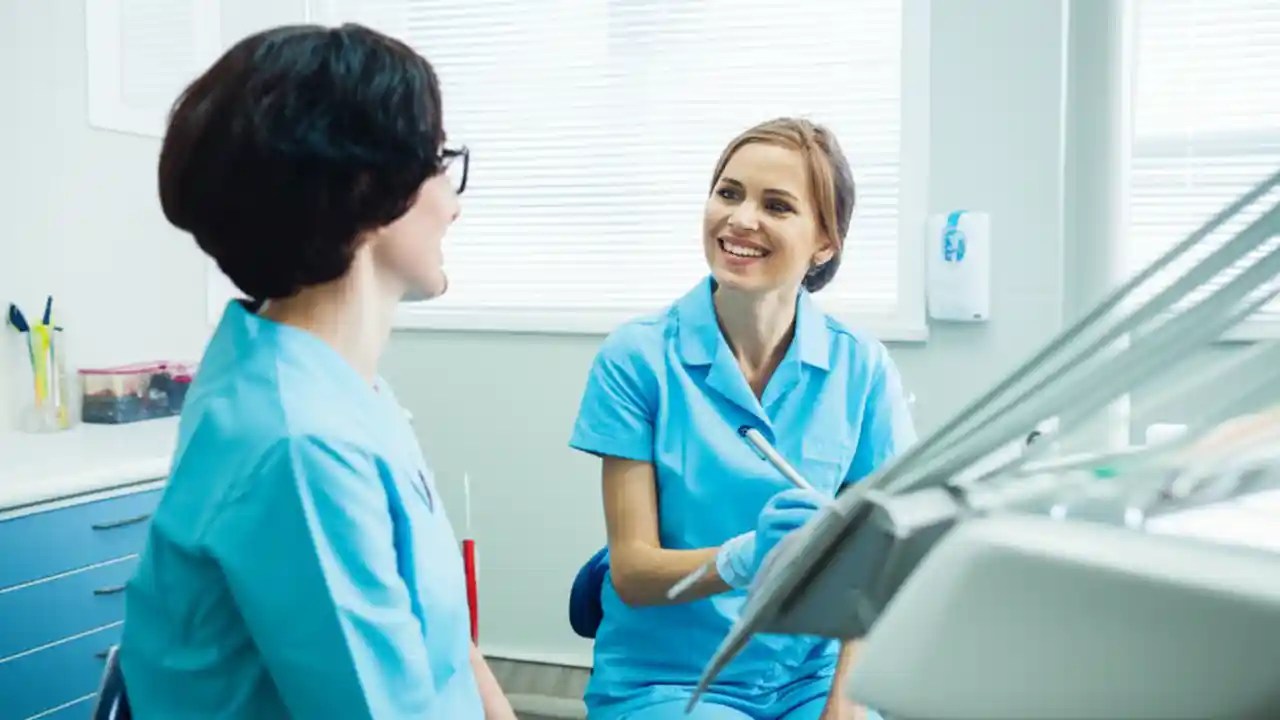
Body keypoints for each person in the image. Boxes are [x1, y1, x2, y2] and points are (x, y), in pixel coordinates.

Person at [119, 24, 515, 719]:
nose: (454, 202)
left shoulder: (325, 379)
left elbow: (442, 641)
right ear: (370, 191)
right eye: (437, 162)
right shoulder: (301, 444)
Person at [568, 117, 917, 719]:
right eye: (729, 193)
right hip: (672, 681)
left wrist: (844, 706)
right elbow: (631, 571)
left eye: (776, 206)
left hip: (808, 677)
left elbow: (874, 564)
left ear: (825, 243)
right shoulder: (639, 358)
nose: (741, 219)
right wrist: (746, 557)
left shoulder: (860, 368)